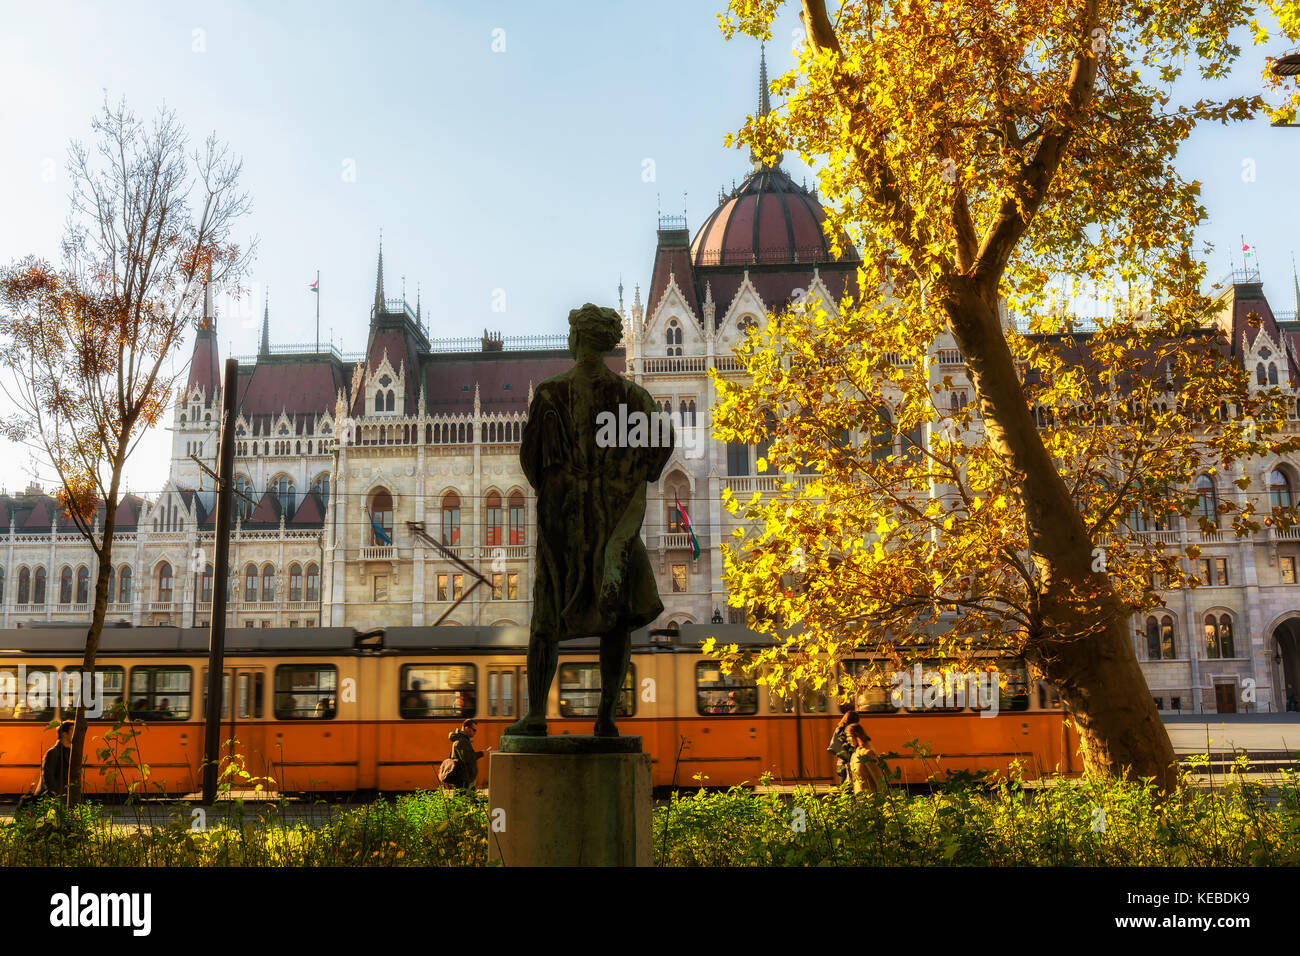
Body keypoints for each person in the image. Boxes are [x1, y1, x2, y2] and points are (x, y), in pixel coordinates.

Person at [504, 304, 673, 738]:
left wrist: (564, 487)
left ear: (577, 341)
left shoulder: (549, 394)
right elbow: (660, 453)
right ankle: (606, 719)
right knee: (614, 624)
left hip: (564, 526)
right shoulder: (635, 398)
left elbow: (532, 464)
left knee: (546, 621)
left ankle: (537, 715)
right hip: (616, 524)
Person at [17, 719, 75, 811]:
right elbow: (48, 777)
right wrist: (57, 797)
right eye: (72, 730)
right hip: (50, 801)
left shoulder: (70, 752)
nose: (75, 733)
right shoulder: (53, 752)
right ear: (64, 733)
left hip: (60, 800)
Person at [446, 719, 491, 790]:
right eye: (474, 730)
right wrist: (481, 753)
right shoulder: (461, 741)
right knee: (462, 799)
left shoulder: (463, 740)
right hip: (463, 780)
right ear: (466, 728)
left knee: (468, 799)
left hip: (466, 779)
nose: (475, 732)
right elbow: (467, 758)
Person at [848, 723, 886, 795]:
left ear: (856, 736)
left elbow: (878, 778)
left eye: (849, 736)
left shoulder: (867, 753)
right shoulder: (855, 753)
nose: (847, 739)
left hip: (870, 799)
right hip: (861, 799)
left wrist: (882, 798)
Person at [827, 709, 859, 787]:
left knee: (844, 788)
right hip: (848, 763)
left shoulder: (838, 729)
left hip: (840, 763)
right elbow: (853, 747)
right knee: (850, 788)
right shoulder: (850, 731)